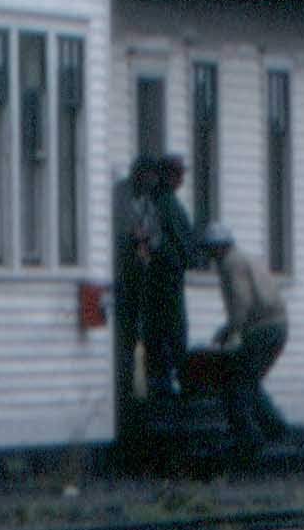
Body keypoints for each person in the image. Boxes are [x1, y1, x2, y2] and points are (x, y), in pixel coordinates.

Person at [124, 149, 203, 398]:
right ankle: (168, 387)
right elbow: (173, 242)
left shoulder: (155, 201)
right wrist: (186, 258)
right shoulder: (165, 204)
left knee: (162, 334)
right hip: (164, 279)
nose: (182, 180)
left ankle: (165, 383)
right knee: (169, 332)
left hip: (161, 277)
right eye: (178, 174)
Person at [207, 233, 289, 462]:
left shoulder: (230, 264)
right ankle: (275, 427)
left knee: (235, 383)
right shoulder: (247, 258)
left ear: (218, 248)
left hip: (261, 328)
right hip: (279, 325)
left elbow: (241, 302)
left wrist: (229, 331)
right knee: (249, 380)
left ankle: (248, 439)